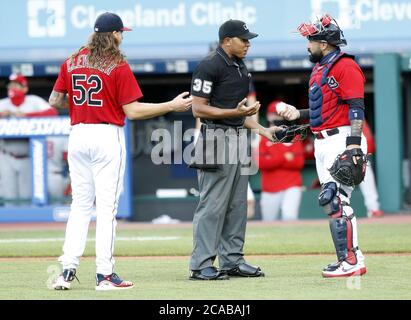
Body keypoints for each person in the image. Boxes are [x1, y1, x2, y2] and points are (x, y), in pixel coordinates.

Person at [49, 12, 192, 290]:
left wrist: (85, 105)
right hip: (105, 135)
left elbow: (56, 99)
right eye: (121, 32)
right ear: (113, 34)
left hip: (77, 134)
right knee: (106, 209)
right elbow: (134, 111)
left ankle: (66, 271)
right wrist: (171, 105)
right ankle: (104, 275)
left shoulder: (72, 61)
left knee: (79, 206)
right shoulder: (117, 65)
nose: (122, 36)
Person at [189, 19, 280, 280]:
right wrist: (235, 113)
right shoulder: (209, 65)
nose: (248, 43)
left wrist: (262, 130)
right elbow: (198, 108)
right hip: (215, 137)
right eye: (244, 39)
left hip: (239, 137)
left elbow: (241, 114)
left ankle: (232, 260)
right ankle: (201, 264)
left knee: (237, 204)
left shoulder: (240, 66)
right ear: (227, 40)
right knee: (213, 204)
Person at [277, 14, 367, 277]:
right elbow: (325, 109)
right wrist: (299, 115)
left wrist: (353, 146)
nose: (308, 44)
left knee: (335, 199)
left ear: (324, 43)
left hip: (342, 138)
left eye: (311, 40)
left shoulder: (345, 66)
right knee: (335, 201)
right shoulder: (320, 68)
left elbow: (356, 109)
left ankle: (350, 262)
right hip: (323, 140)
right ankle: (353, 256)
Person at [0, 73, 58, 204]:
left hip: (27, 156)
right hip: (7, 155)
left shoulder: (33, 100)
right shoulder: (3, 104)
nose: (12, 88)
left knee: (26, 196)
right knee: (9, 197)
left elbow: (52, 113)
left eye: (16, 85)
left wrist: (27, 115)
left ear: (24, 88)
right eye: (11, 85)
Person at [258, 101, 305, 221]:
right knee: (268, 221)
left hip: (292, 185)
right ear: (269, 116)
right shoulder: (263, 137)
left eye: (281, 115)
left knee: (290, 217)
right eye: (275, 114)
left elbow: (299, 162)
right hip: (270, 188)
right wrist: (285, 157)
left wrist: (273, 158)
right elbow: (262, 163)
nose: (279, 117)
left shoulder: (294, 135)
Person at [360, 121, 384, 218]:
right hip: (340, 155)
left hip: (358, 156)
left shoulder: (358, 117)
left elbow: (369, 143)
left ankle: (373, 208)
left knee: (367, 175)